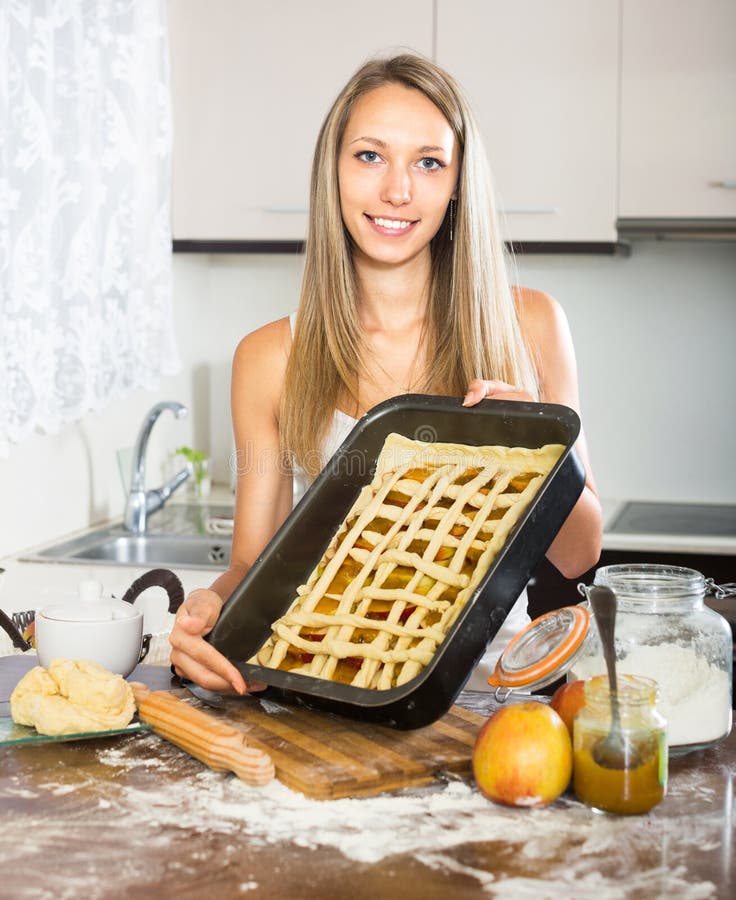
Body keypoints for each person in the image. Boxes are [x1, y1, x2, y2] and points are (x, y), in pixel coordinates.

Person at [169, 52, 603, 693]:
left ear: (457, 183)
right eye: (370, 156)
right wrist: (210, 608)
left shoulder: (531, 325)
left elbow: (579, 552)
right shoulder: (267, 359)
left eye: (429, 162)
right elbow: (252, 565)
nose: (398, 190)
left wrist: (536, 446)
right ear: (332, 172)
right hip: (330, 684)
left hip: (489, 693)